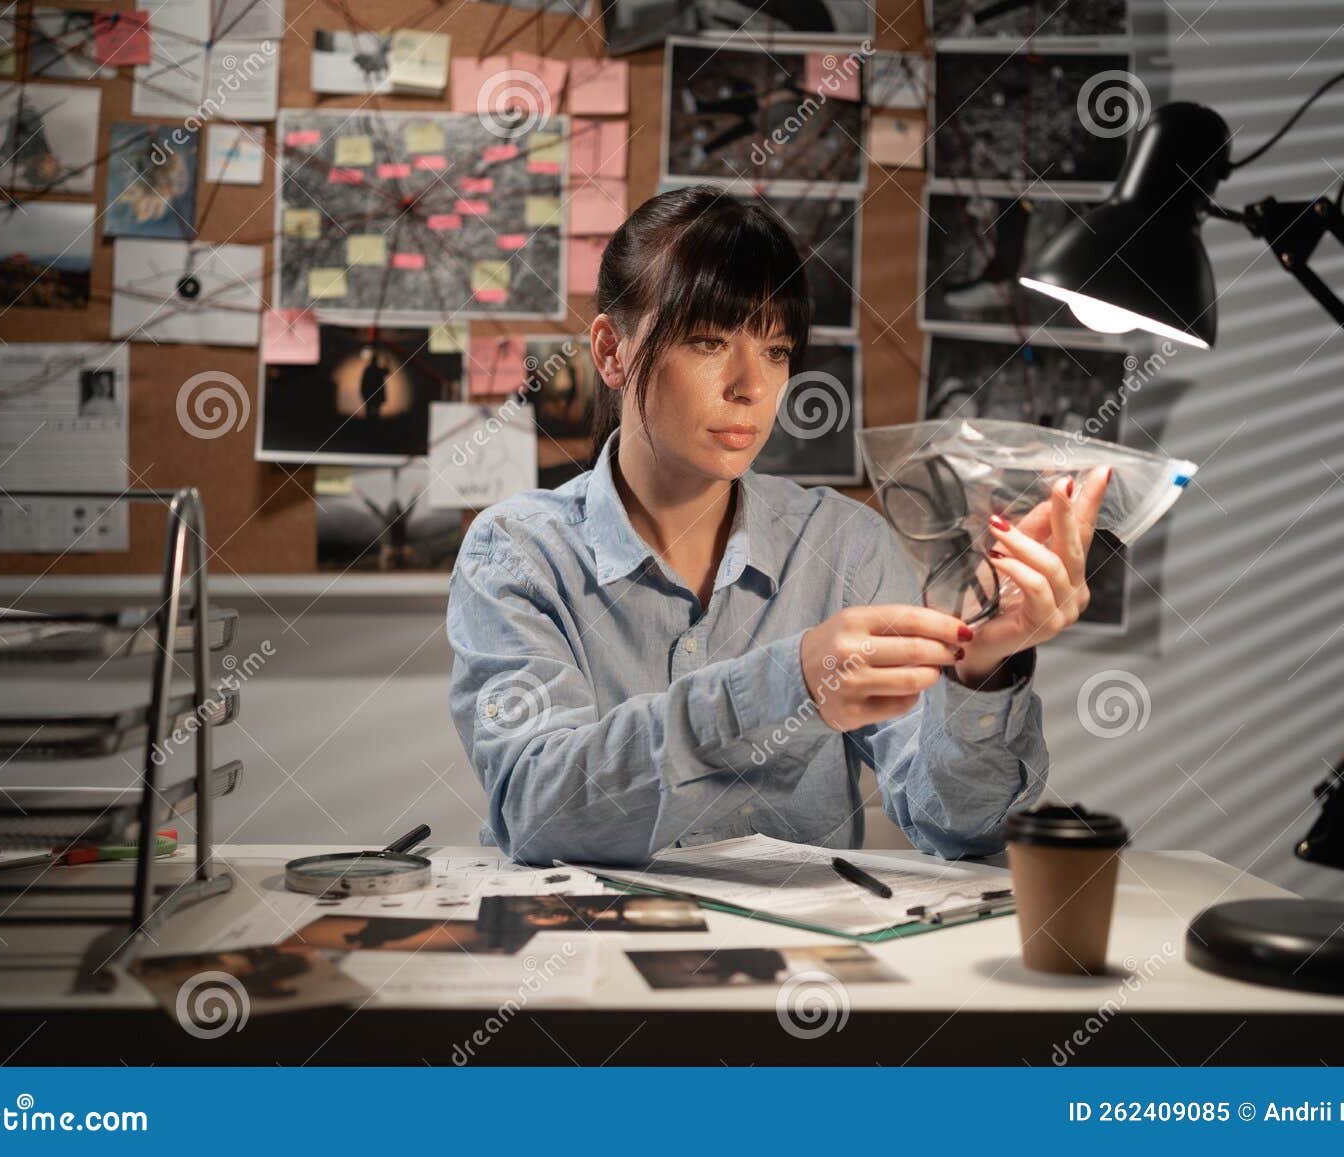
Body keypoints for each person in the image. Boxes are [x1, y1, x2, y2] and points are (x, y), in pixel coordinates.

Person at [446, 186, 1108, 867]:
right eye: (708, 341)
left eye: (776, 350)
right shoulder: (519, 553)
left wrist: (983, 672)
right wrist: (784, 685)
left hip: (803, 940)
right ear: (612, 350)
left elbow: (957, 827)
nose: (751, 386)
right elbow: (539, 810)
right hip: (581, 934)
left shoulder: (843, 547)